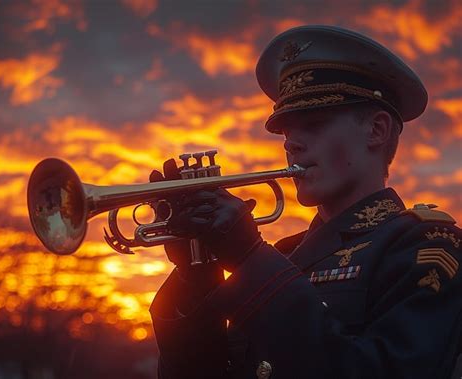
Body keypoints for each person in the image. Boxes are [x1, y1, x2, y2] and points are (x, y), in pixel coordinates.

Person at [149, 25, 462, 378]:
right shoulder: (284, 255)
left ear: (377, 130)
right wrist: (197, 276)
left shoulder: (428, 247)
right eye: (286, 132)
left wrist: (250, 259)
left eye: (313, 124)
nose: (290, 144)